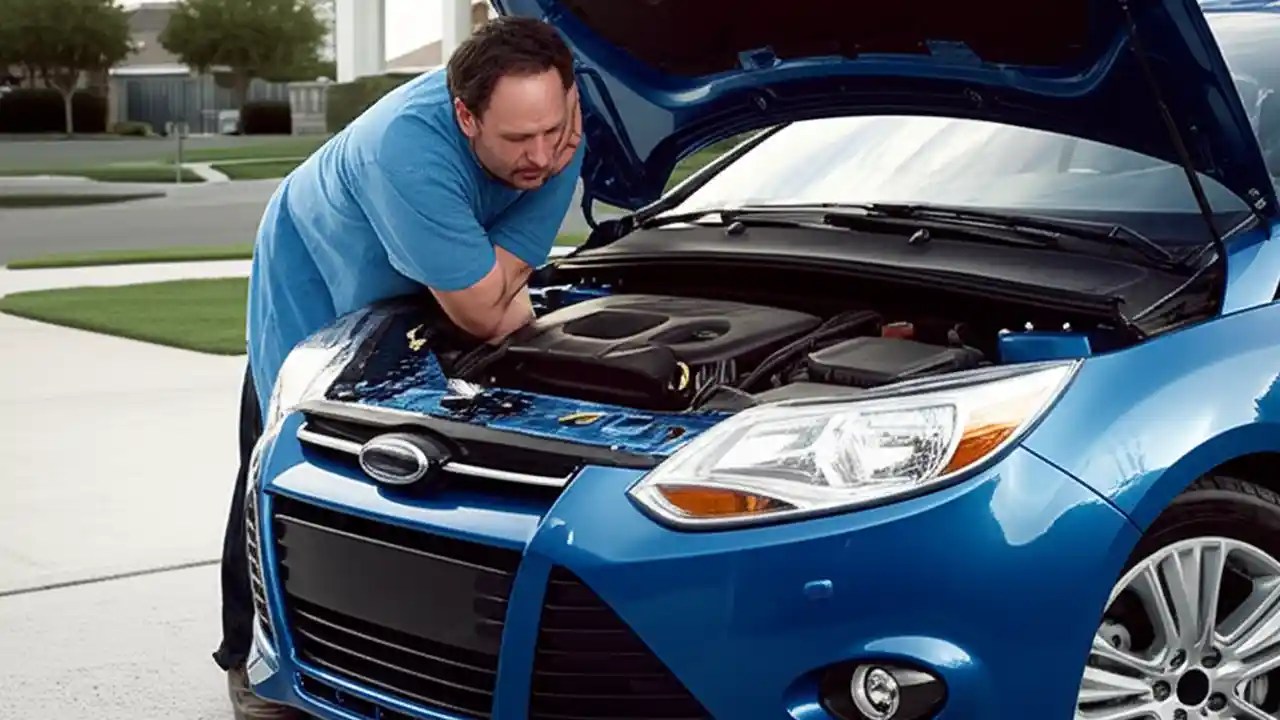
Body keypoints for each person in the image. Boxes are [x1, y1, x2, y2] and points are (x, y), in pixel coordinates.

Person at [211, 16, 585, 719]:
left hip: (435, 280)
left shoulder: (559, 128)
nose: (543, 157)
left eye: (553, 130)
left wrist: (485, 282)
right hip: (321, 281)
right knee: (280, 459)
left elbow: (500, 299)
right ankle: (250, 661)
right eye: (516, 140)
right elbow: (487, 311)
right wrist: (486, 281)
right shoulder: (404, 149)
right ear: (465, 116)